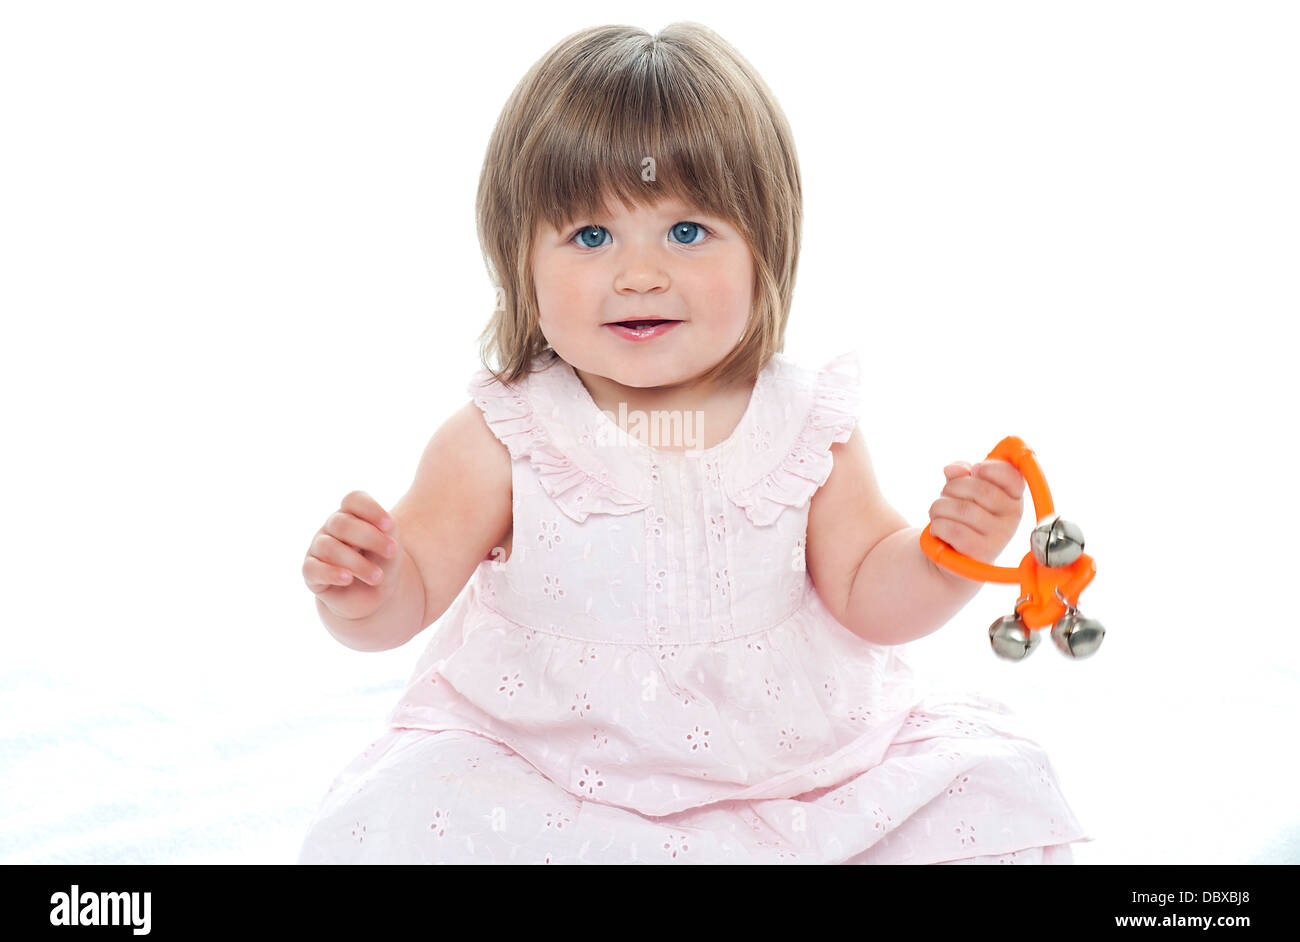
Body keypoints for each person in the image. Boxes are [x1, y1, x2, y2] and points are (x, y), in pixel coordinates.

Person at [297, 22, 1091, 864]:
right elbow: (410, 589)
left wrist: (945, 557)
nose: (640, 274)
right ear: (519, 260)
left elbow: (868, 591)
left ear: (765, 246)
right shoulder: (504, 436)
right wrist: (365, 589)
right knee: (417, 811)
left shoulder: (804, 423)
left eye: (686, 232)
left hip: (794, 769)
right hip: (555, 772)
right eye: (591, 236)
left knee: (980, 790)